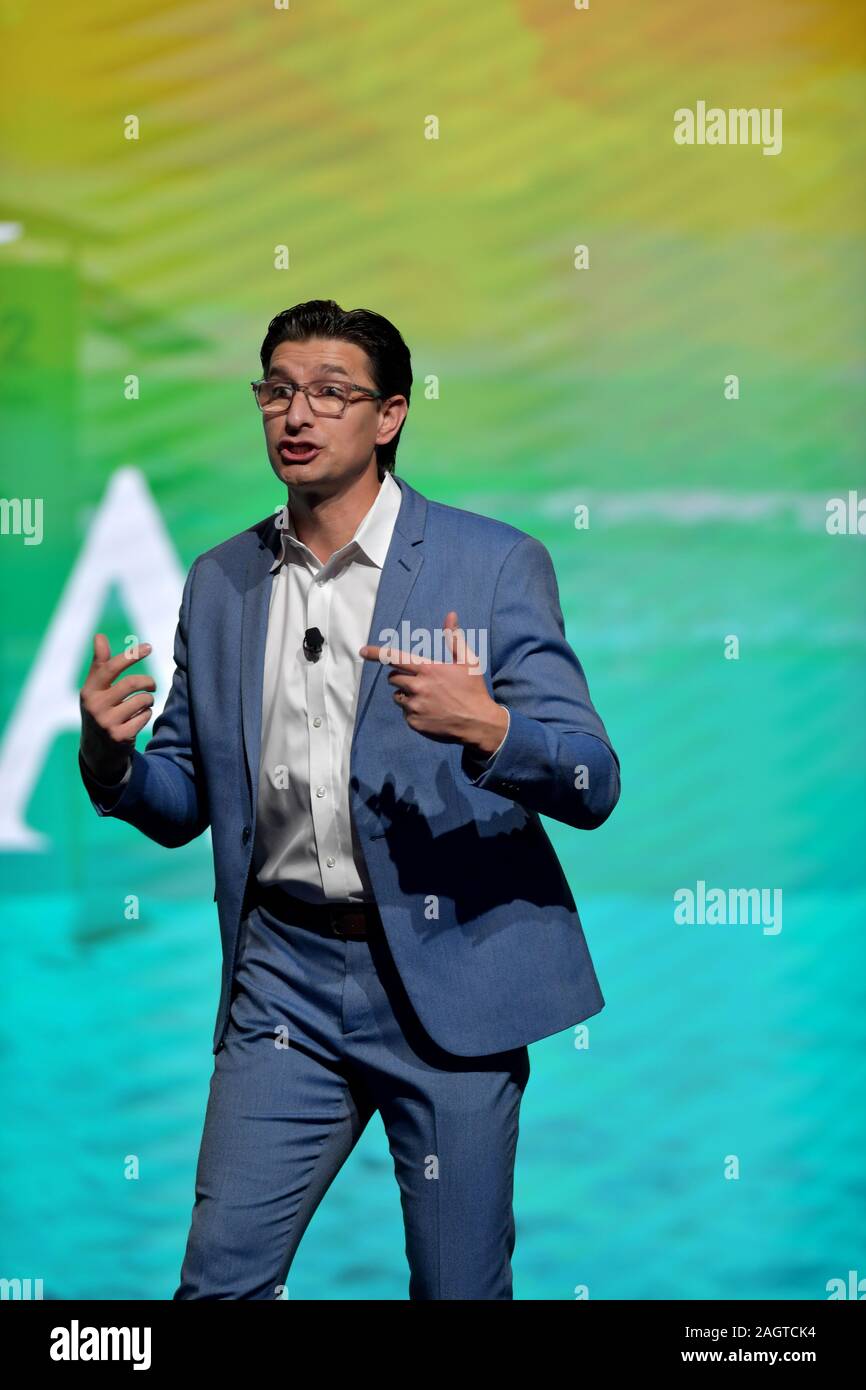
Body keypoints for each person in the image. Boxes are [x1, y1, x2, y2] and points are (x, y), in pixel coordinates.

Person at [78, 298, 621, 1300]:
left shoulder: (490, 564)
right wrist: (110, 761)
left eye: (330, 393)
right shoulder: (222, 581)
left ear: (390, 415)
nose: (297, 414)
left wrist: (489, 729)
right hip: (282, 980)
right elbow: (184, 797)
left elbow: (594, 780)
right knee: (217, 1287)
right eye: (277, 391)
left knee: (457, 1289)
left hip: (450, 975)